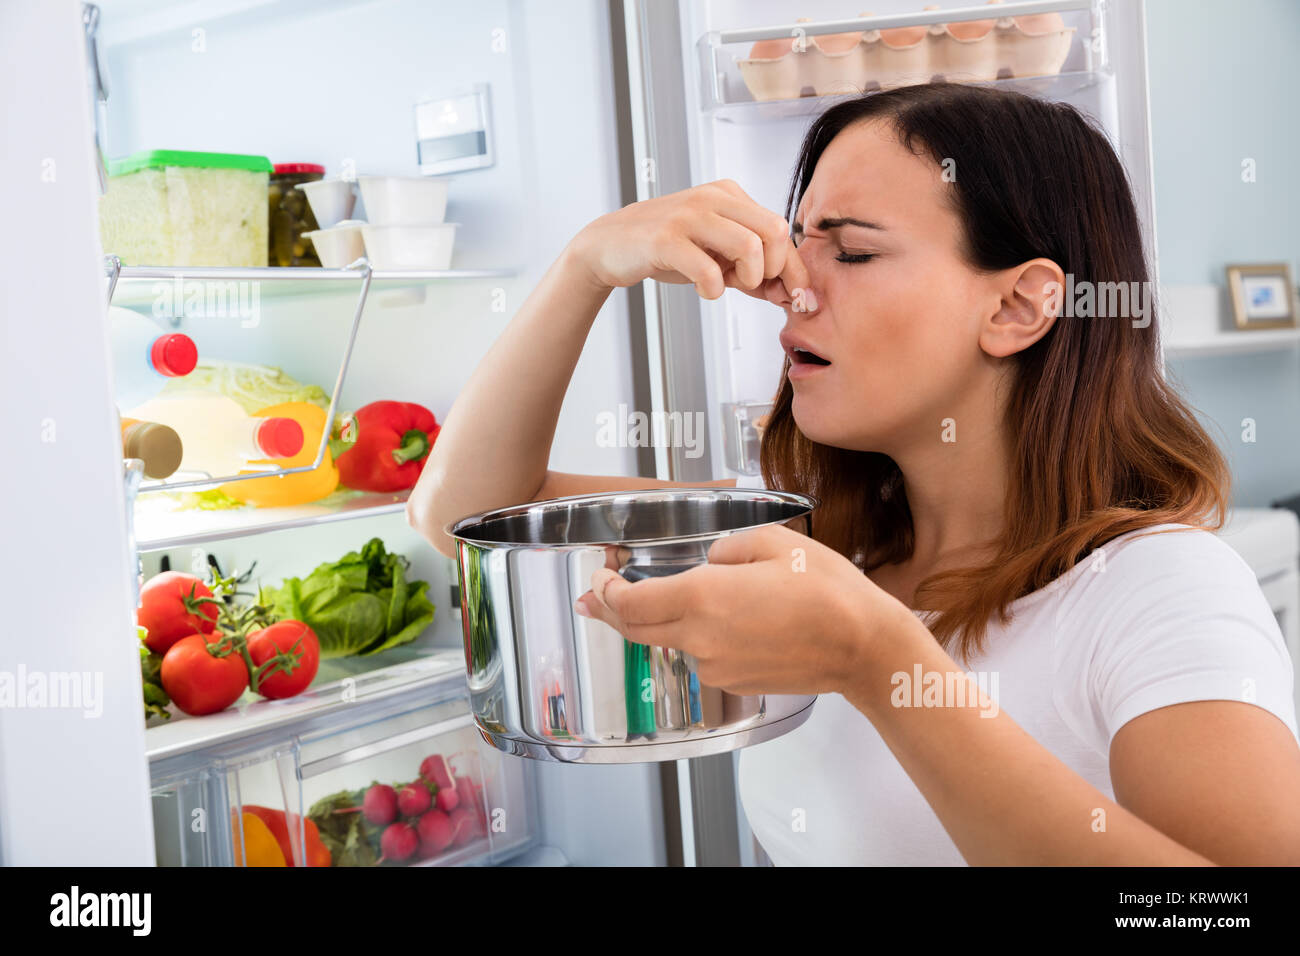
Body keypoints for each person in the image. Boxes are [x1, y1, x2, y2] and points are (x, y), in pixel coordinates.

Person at [407, 83, 1300, 865]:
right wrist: (586, 266)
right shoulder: (822, 545)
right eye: (798, 244)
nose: (792, 287)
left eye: (856, 252)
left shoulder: (1159, 588)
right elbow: (466, 514)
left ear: (1020, 304)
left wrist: (880, 663)